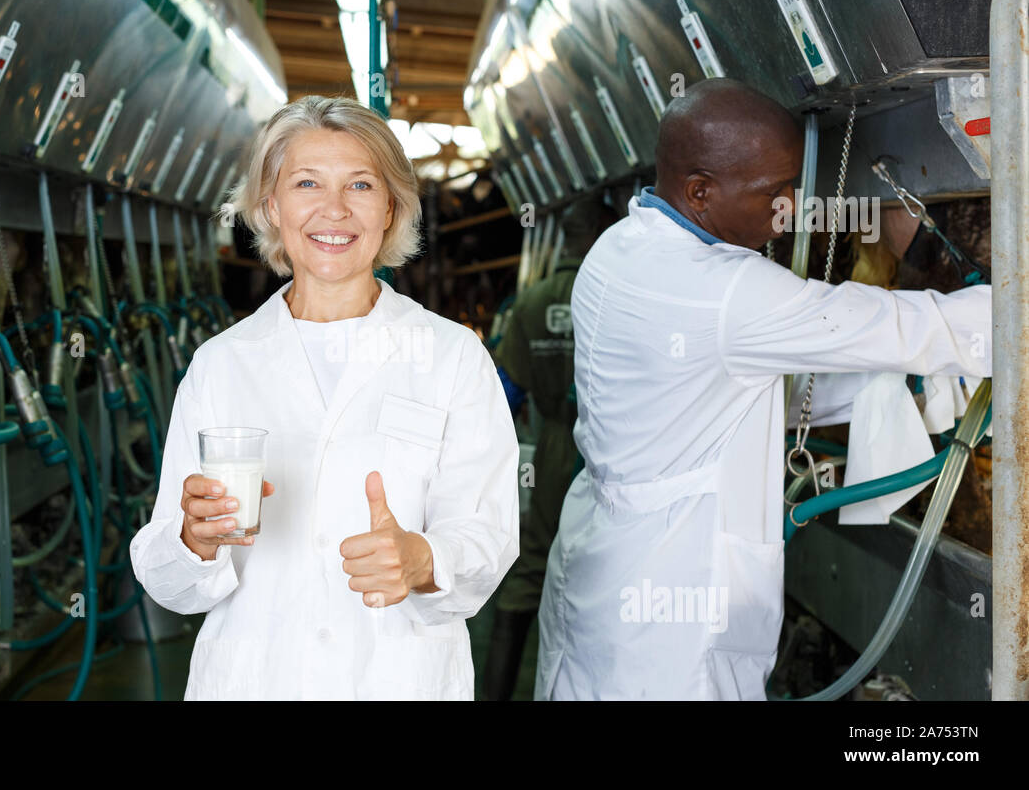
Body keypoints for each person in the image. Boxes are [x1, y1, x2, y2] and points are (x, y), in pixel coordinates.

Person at [535, 79, 992, 701]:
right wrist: (1004, 308)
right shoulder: (724, 288)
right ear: (699, 192)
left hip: (607, 570)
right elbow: (892, 325)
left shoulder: (621, 248)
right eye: (773, 194)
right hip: (673, 606)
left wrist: (900, 388)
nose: (790, 211)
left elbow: (734, 391)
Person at [129, 96, 519, 700]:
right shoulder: (222, 365)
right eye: (307, 182)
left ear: (390, 207)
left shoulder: (450, 356)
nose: (333, 209)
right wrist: (193, 540)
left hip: (398, 680)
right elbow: (166, 577)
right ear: (271, 206)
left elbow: (488, 539)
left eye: (360, 184)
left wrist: (422, 559)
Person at [483, 195, 616, 700]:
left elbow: (505, 395)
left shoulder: (532, 302)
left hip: (553, 447)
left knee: (531, 566)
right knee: (603, 573)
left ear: (562, 238)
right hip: (610, 451)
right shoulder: (616, 294)